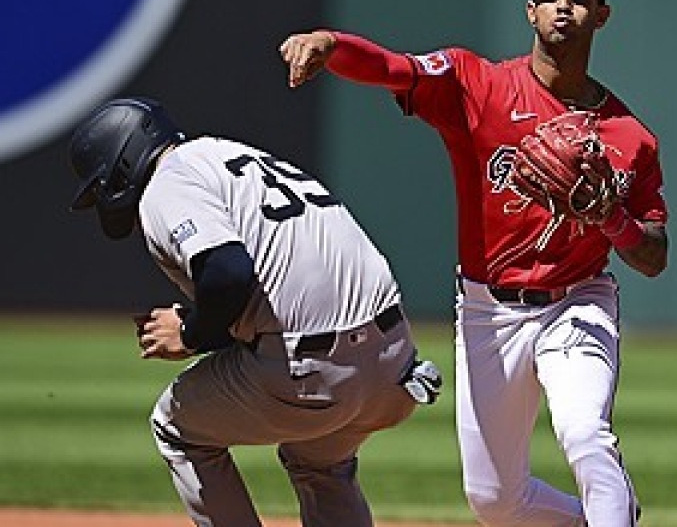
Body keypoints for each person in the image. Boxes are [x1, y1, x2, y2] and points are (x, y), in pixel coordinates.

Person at [279, 0, 668, 527]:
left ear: (601, 16)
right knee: (496, 500)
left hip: (578, 301)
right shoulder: (474, 83)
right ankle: (612, 516)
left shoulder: (629, 136)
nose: (564, 5)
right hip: (488, 311)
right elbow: (396, 70)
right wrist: (333, 45)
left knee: (585, 433)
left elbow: (654, 254)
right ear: (530, 12)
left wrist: (612, 218)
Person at [68, 97, 441, 527]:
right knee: (319, 463)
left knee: (175, 427)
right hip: (395, 363)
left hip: (315, 372)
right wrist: (210, 323)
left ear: (122, 162)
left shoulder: (166, 184)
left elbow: (228, 272)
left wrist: (191, 333)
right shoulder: (224, 154)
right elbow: (272, 289)